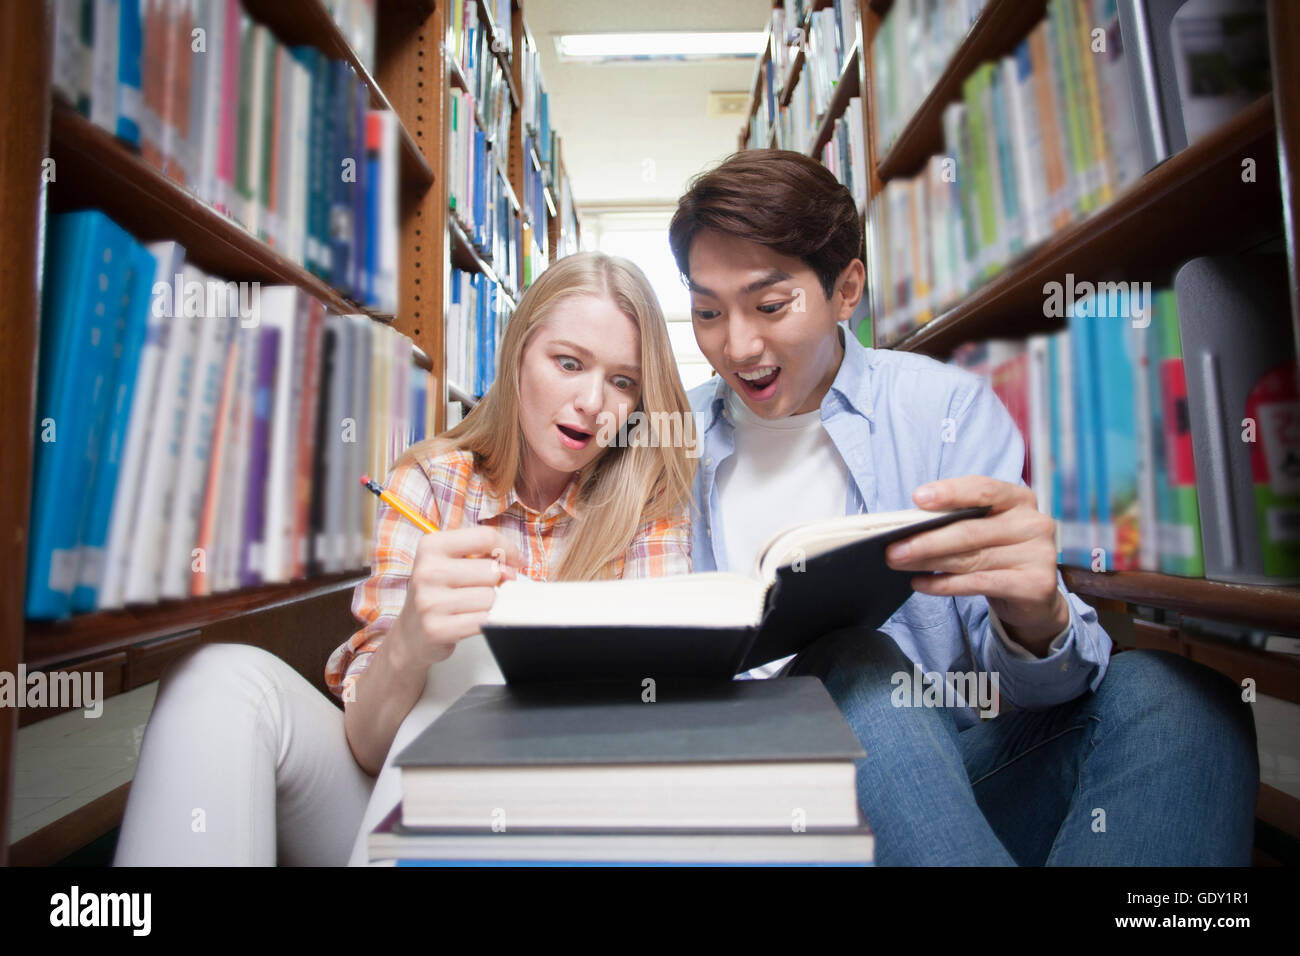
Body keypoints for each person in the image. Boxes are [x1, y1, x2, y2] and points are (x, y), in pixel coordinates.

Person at [669, 149, 1259, 865]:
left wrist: (1036, 617)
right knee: (851, 660)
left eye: (769, 306)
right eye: (706, 312)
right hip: (754, 814)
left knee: (1179, 699)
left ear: (846, 287)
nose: (736, 346)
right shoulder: (668, 440)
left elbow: (1039, 687)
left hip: (934, 795)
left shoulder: (942, 407)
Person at [114, 251, 696, 865]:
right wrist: (413, 642)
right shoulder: (430, 481)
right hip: (402, 800)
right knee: (215, 681)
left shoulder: (649, 500)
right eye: (569, 363)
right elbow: (368, 750)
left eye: (622, 381)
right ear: (518, 355)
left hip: (569, 817)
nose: (591, 402)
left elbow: (650, 724)